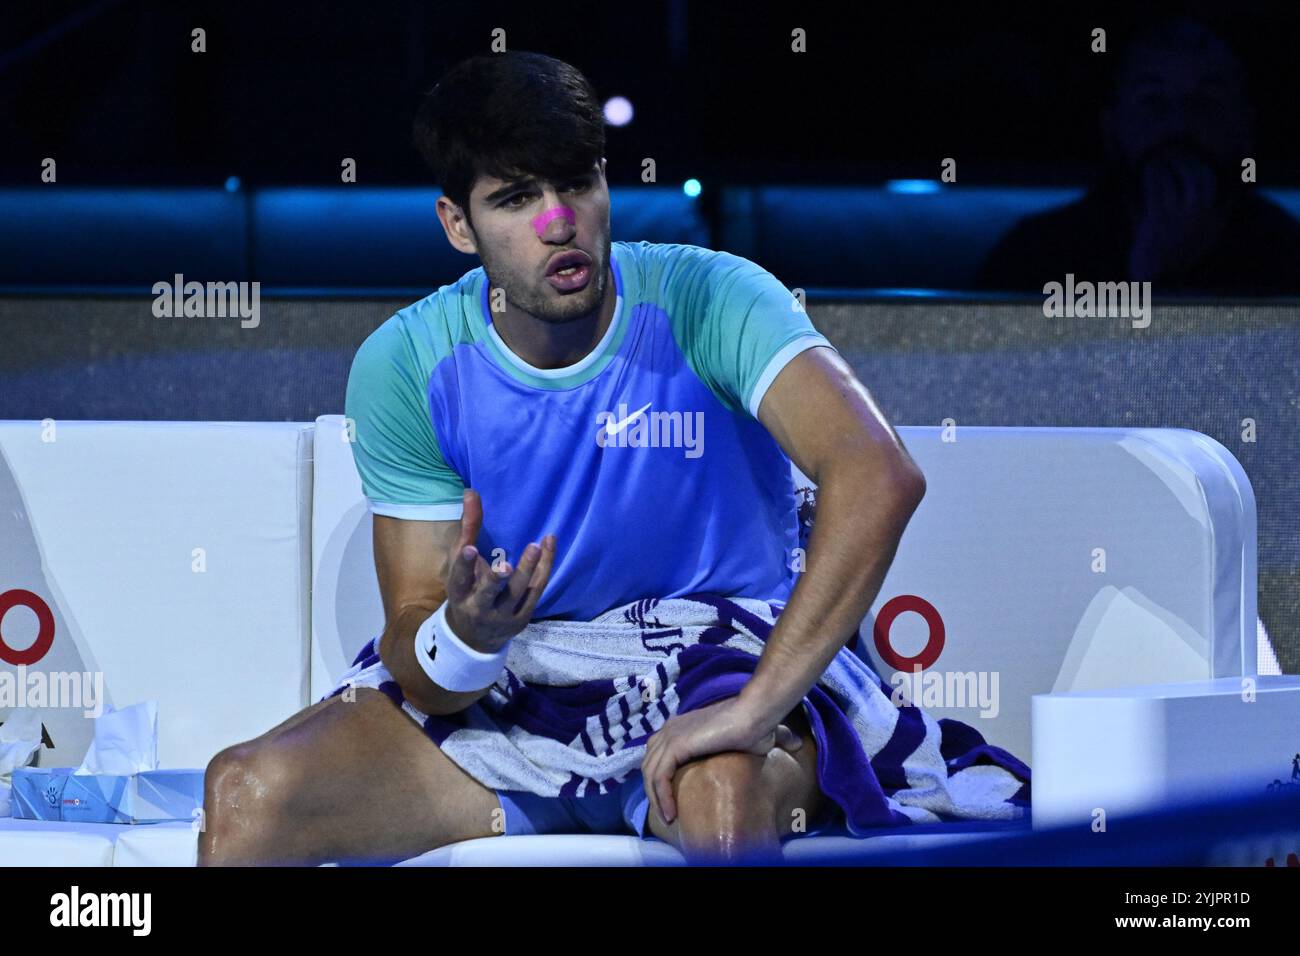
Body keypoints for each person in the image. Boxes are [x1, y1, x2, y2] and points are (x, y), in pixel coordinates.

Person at [199, 51, 930, 866]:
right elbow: (423, 663)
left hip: (713, 667)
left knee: (723, 796)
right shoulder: (406, 363)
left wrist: (757, 708)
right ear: (457, 224)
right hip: (518, 686)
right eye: (516, 198)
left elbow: (879, 472)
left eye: (575, 184)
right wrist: (466, 632)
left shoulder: (713, 297)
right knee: (246, 796)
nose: (558, 222)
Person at [976, 17, 1300, 295]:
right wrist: (1149, 279)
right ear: (1111, 125)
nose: (1179, 124)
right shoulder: (1035, 255)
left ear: (1244, 124)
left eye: (1207, 102)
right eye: (1153, 100)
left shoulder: (1289, 254)